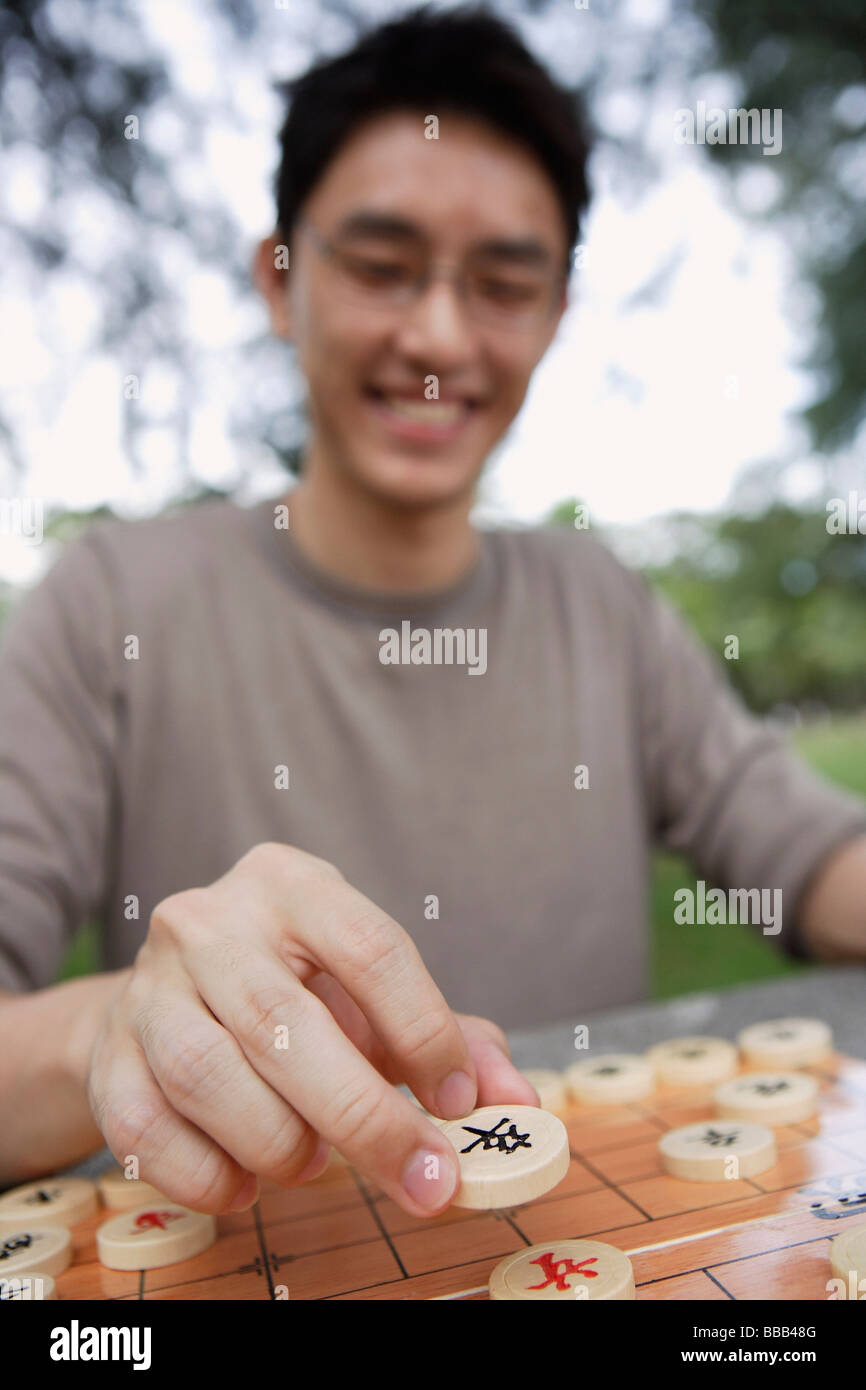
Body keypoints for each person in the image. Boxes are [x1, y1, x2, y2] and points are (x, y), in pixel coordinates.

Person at [1, 6, 864, 1220]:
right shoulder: (107, 604)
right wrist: (128, 1027)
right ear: (279, 281)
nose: (437, 338)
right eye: (379, 265)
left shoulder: (599, 602)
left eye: (504, 283)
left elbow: (804, 857)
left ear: (556, 313)